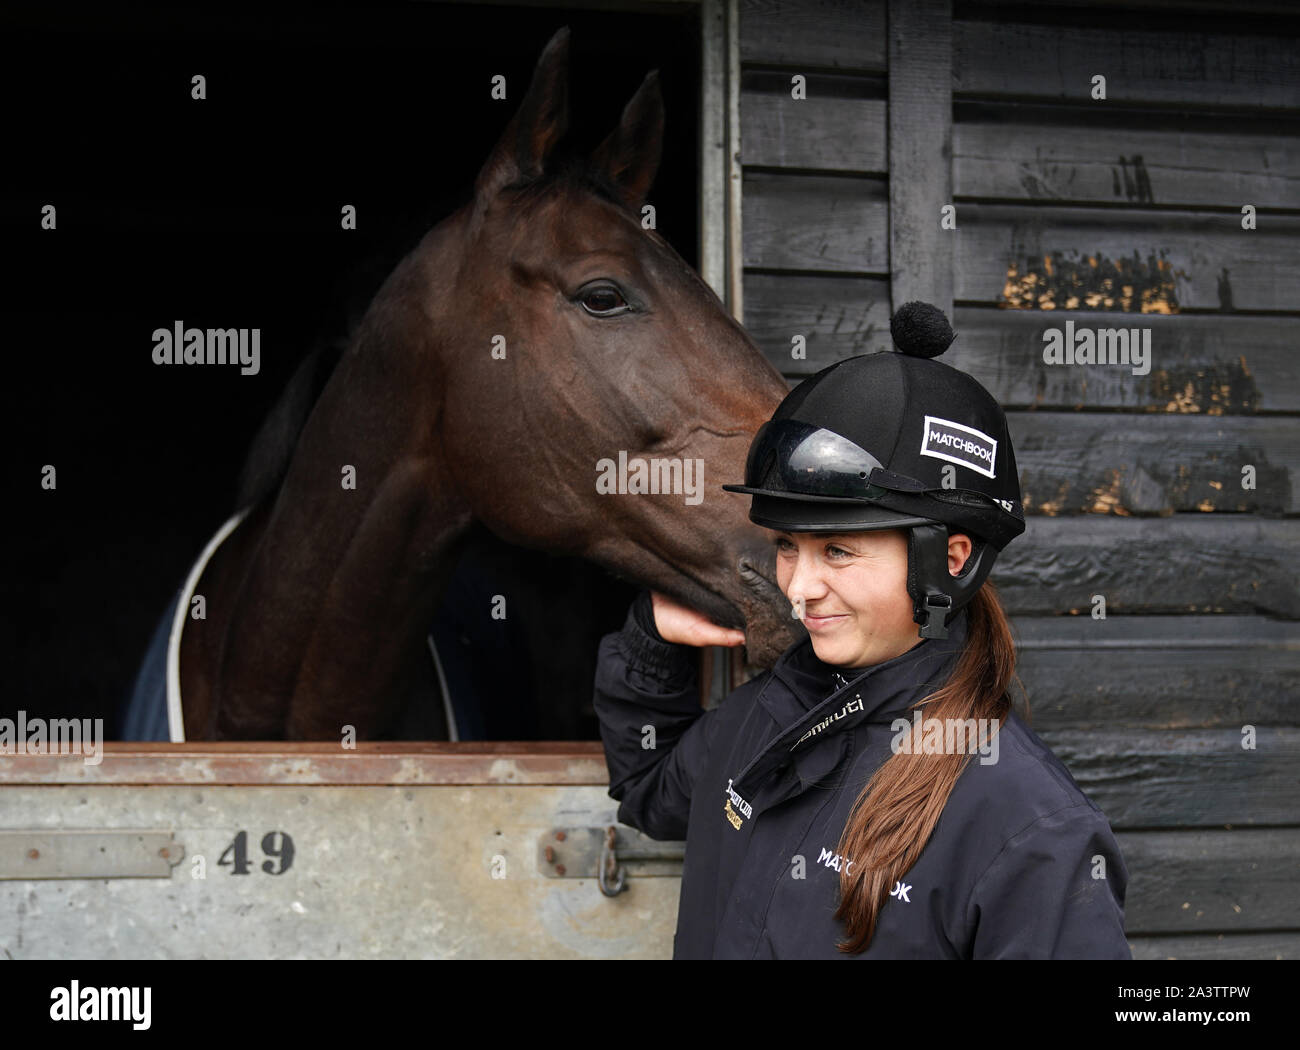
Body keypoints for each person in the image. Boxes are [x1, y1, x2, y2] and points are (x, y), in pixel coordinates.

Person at [592, 301, 1131, 959]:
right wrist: (651, 640)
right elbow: (651, 790)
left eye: (837, 551)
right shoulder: (765, 717)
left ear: (950, 560)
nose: (797, 587)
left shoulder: (1029, 826)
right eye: (788, 546)